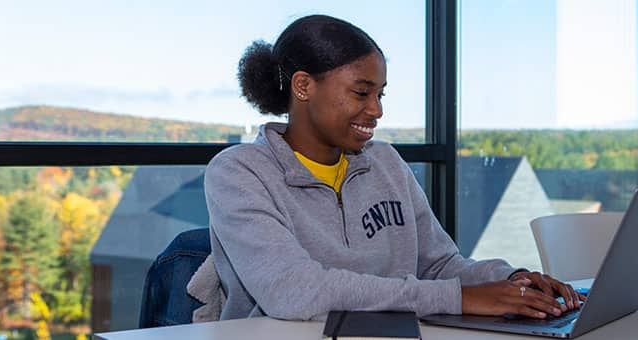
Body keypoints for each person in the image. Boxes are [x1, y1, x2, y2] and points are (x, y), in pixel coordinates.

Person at [204, 14, 584, 321]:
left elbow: (438, 265)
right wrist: (460, 298)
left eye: (380, 94)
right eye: (361, 92)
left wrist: (509, 280)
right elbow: (293, 291)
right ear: (304, 86)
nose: (377, 110)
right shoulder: (238, 172)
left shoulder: (385, 162)